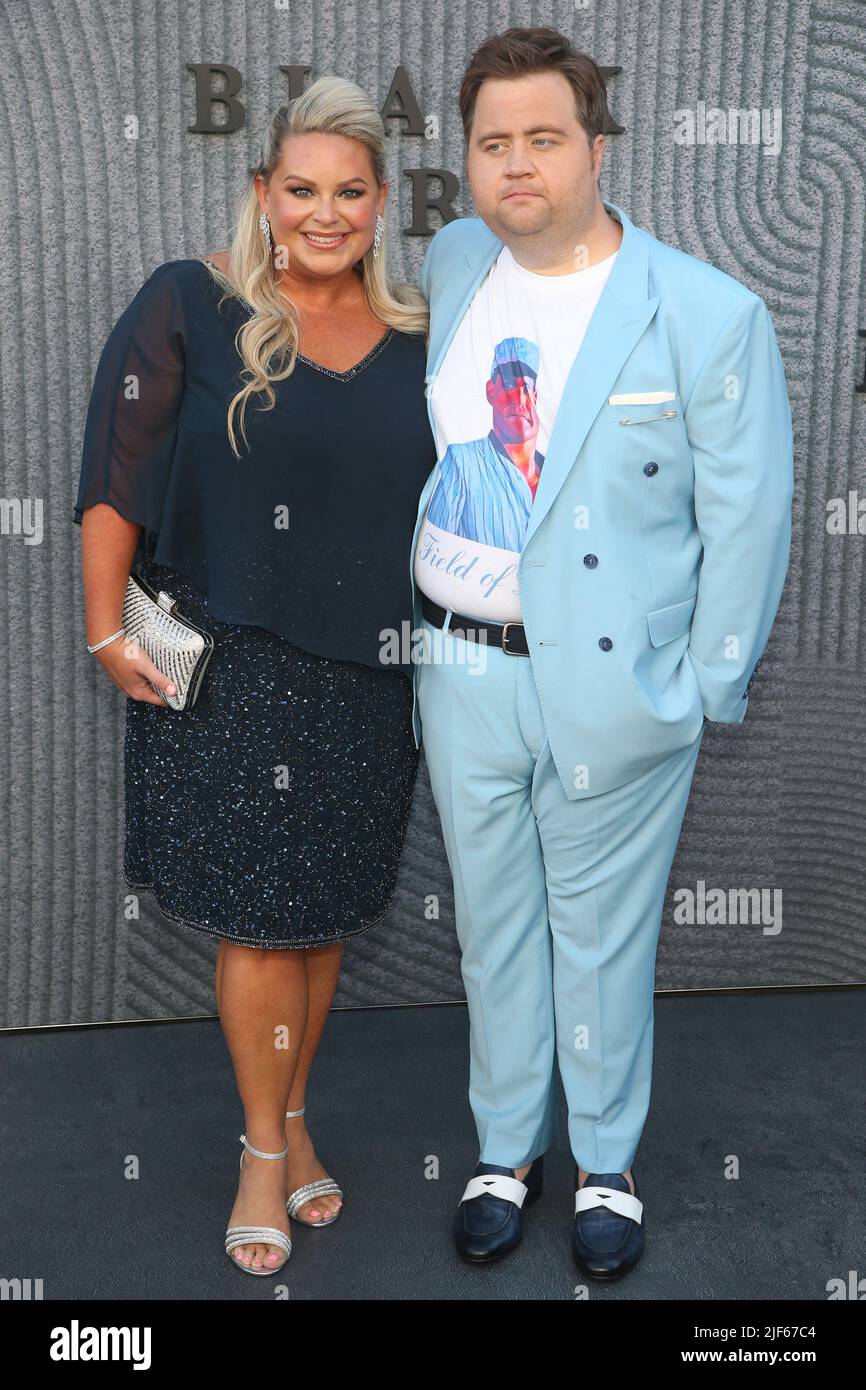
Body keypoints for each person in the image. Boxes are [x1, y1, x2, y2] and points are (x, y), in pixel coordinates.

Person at [409, 27, 793, 1279]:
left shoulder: (704, 313)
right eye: (490, 143)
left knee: (603, 935)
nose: (514, 164)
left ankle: (608, 1162)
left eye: (542, 138)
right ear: (465, 160)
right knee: (491, 927)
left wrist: (691, 690)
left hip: (612, 692)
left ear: (597, 146)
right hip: (460, 675)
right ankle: (503, 1147)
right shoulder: (458, 261)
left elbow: (747, 515)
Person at [74, 76, 435, 1276]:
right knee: (259, 926)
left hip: (367, 681)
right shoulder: (190, 300)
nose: (322, 213)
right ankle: (264, 1155)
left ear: (381, 203)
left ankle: (286, 1120)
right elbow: (116, 472)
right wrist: (101, 631)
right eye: (300, 189)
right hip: (229, 667)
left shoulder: (421, 338)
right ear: (261, 193)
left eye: (348, 191)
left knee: (322, 923)